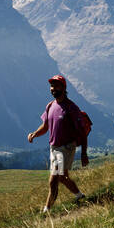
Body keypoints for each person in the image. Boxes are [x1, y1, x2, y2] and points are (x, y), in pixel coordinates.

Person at [27, 75, 88, 214]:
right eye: (52, 86)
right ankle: (80, 196)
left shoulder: (71, 108)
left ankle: (46, 211)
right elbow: (46, 125)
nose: (53, 89)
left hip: (66, 148)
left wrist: (84, 153)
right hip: (54, 148)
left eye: (57, 86)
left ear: (64, 88)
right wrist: (35, 134)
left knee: (53, 178)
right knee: (62, 177)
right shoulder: (50, 105)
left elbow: (82, 132)